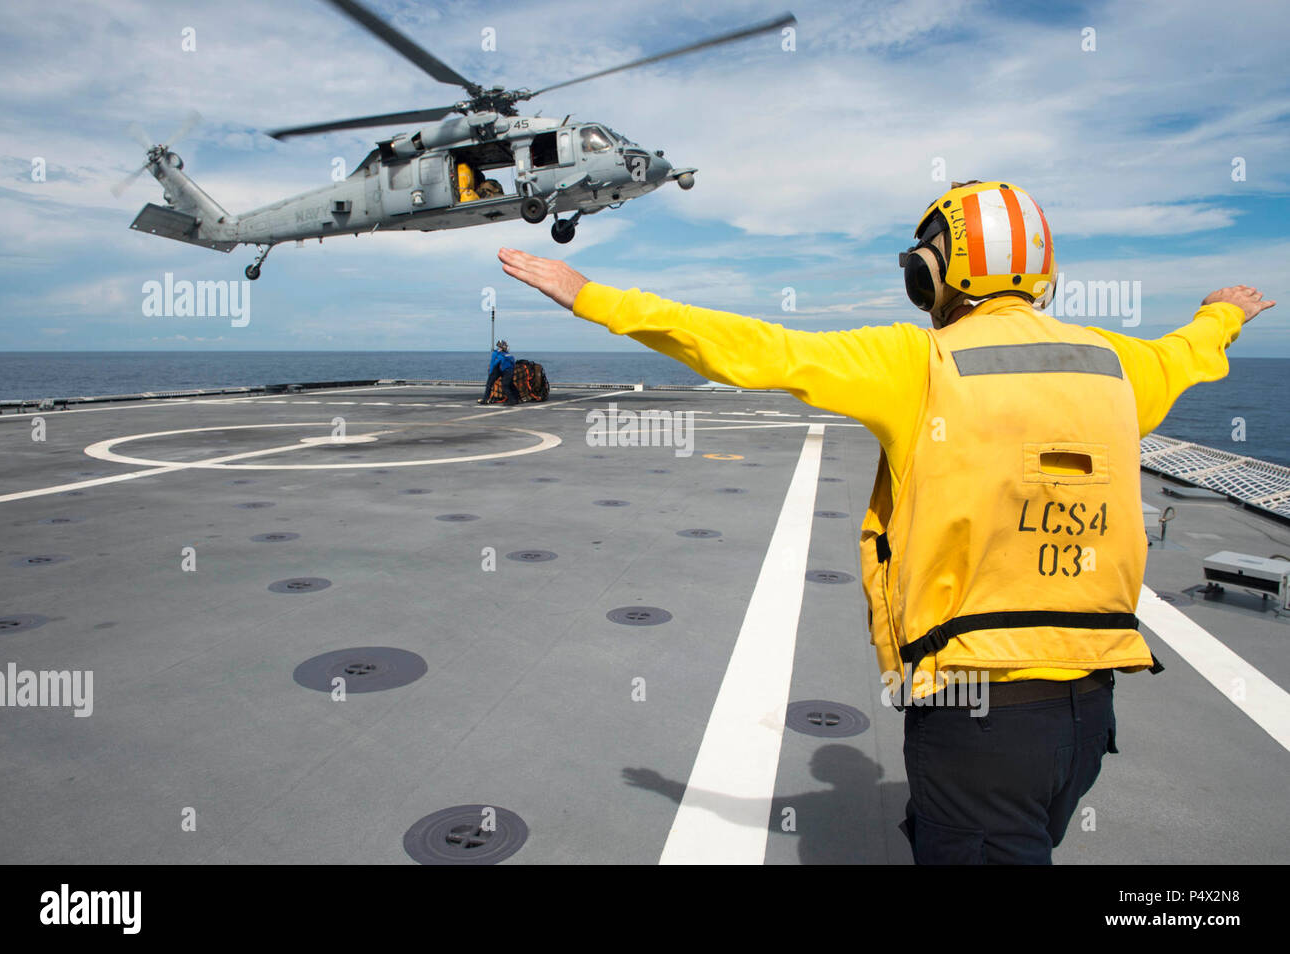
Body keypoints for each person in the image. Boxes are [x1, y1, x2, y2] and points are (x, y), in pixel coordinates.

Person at [497, 179, 1276, 864]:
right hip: (1087, 713)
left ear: (931, 272)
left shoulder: (920, 363)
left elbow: (757, 350)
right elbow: (1189, 352)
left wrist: (595, 298)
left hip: (976, 706)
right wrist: (1221, 315)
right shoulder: (1119, 365)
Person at [479, 339, 518, 405]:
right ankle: (516, 398)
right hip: (503, 370)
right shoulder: (506, 354)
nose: (506, 347)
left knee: (504, 385)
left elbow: (493, 363)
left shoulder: (500, 354)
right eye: (505, 345)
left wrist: (491, 372)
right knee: (509, 384)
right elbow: (513, 363)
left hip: (503, 370)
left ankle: (512, 400)